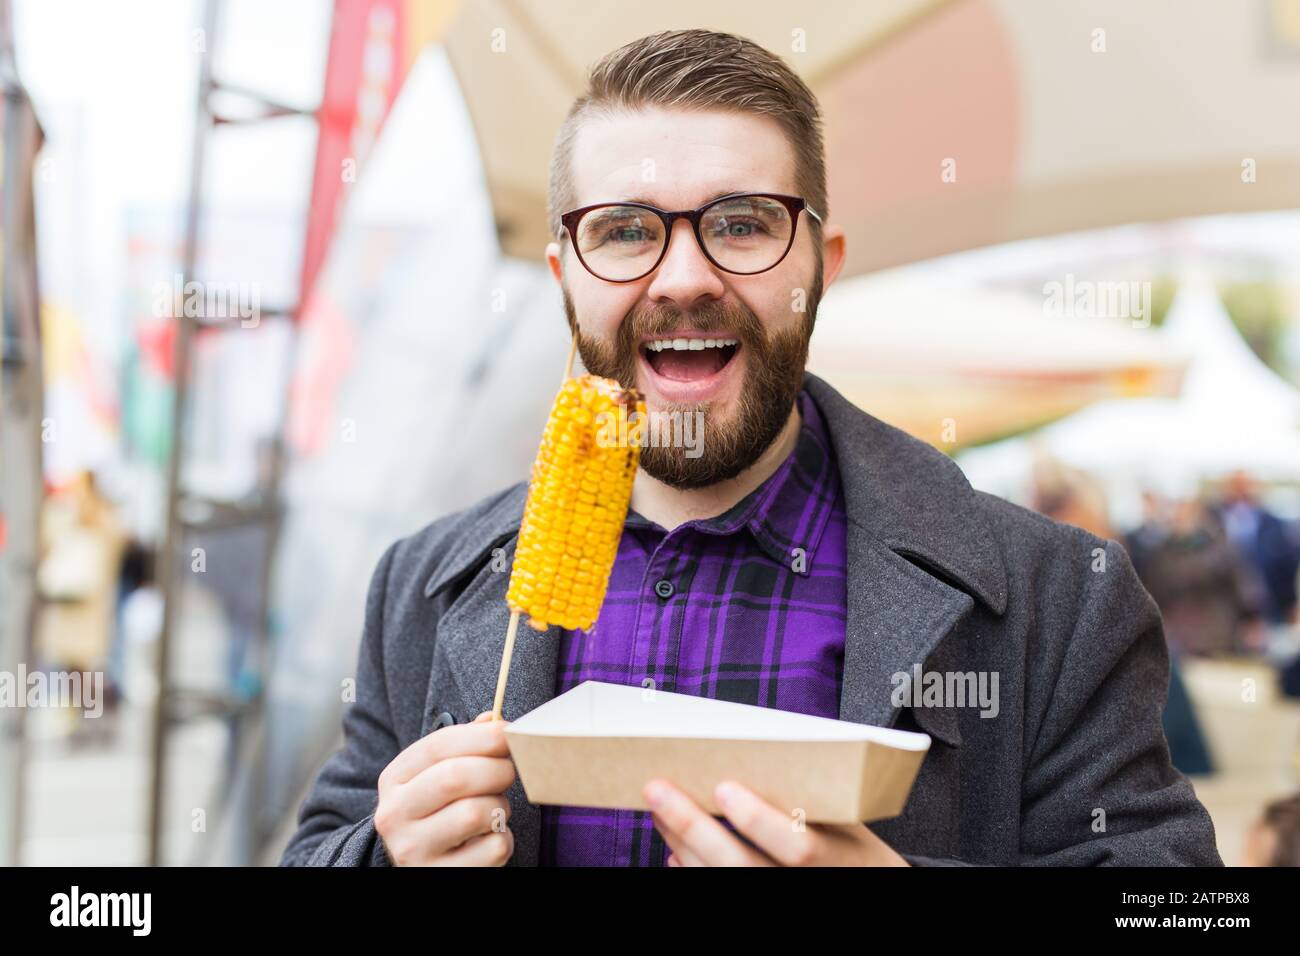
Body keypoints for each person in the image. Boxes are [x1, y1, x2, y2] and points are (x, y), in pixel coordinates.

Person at [282, 29, 1220, 867]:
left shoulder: (1062, 600)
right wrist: (378, 859)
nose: (684, 278)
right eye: (622, 231)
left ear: (826, 265)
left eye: (742, 225)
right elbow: (314, 848)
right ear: (565, 276)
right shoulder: (420, 587)